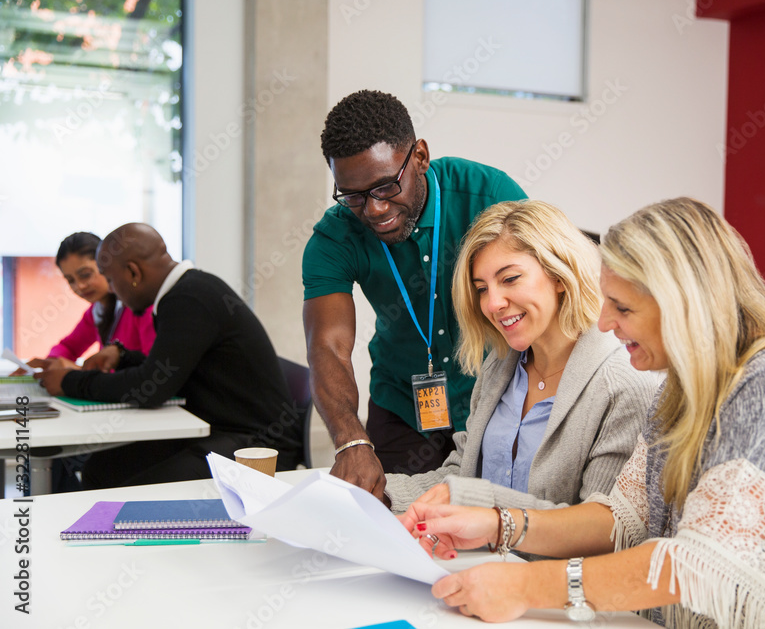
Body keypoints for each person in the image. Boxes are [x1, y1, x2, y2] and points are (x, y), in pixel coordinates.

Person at [400, 198, 765, 627]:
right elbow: (619, 519)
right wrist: (497, 524)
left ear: (682, 301)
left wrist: (528, 584)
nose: (603, 321)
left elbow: (705, 566)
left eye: (621, 307)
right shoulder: (677, 391)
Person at [303, 89, 526, 500]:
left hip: (494, 395)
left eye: (386, 186)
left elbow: (544, 294)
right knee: (386, 515)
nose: (374, 209)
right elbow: (328, 347)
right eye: (353, 195)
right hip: (402, 402)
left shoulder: (490, 196)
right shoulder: (334, 238)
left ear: (420, 156)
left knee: (492, 517)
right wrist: (351, 441)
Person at [383, 201, 656, 513]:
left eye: (510, 279)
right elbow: (462, 476)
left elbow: (599, 528)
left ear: (559, 274)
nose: (493, 303)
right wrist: (381, 493)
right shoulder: (500, 367)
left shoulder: (624, 384)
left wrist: (484, 510)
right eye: (482, 288)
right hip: (477, 557)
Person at [35, 223, 303, 489]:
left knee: (136, 492)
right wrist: (123, 357)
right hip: (224, 431)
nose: (113, 290)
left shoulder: (188, 299)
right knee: (101, 469)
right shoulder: (187, 290)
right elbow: (169, 370)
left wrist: (70, 381)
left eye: (112, 280)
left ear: (132, 272)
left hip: (258, 448)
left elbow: (151, 387)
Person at [21, 232, 155, 370]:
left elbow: (149, 369)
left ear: (106, 266)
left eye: (85, 275)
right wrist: (51, 363)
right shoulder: (96, 311)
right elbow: (69, 347)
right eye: (71, 280)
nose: (79, 286)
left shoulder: (139, 306)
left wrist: (79, 375)